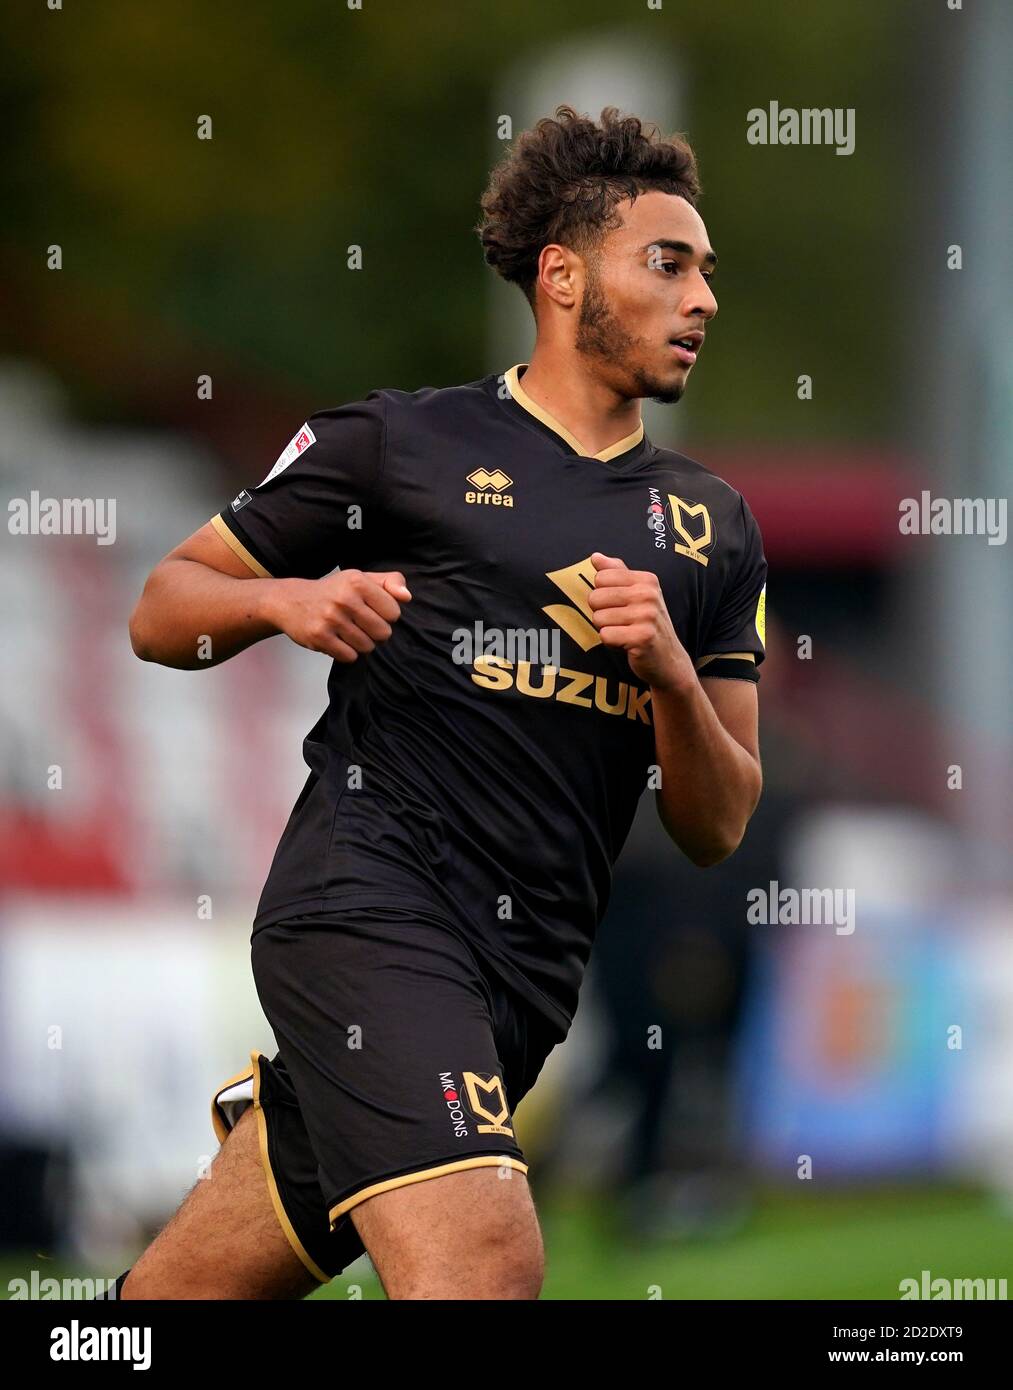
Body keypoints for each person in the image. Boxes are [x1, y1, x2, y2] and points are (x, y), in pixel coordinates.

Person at [119, 104, 766, 1301]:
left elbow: (715, 820)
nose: (702, 300)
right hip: (366, 909)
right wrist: (286, 605)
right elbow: (163, 605)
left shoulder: (711, 526)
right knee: (483, 1265)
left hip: (518, 985)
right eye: (667, 265)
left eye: (706, 273)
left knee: (172, 1308)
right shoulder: (398, 446)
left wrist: (672, 672)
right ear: (565, 278)